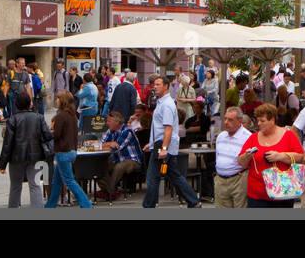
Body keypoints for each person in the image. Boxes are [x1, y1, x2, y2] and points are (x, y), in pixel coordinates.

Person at [143, 74, 201, 208]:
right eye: (154, 84)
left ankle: (149, 206)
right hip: (162, 143)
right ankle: (193, 201)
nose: (155, 87)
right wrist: (151, 143)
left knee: (152, 177)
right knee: (174, 175)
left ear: (166, 86)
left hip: (163, 144)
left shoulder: (167, 105)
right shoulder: (163, 103)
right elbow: (160, 128)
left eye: (158, 84)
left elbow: (168, 128)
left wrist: (163, 148)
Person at [236, 102, 305, 208]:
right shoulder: (253, 137)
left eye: (262, 121)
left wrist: (281, 156)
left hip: (283, 194)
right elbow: (241, 163)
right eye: (258, 120)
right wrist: (246, 157)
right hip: (257, 195)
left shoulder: (288, 135)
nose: (259, 123)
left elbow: (301, 157)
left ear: (272, 120)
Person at [0, 91, 52, 208]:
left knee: (15, 186)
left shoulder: (13, 120)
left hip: (16, 157)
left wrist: (2, 164)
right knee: (35, 185)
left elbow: (7, 144)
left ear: (16, 105)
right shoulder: (39, 118)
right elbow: (47, 136)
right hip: (35, 156)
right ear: (30, 104)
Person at [44, 90, 92, 208]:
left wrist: (47, 133)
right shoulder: (72, 115)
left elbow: (56, 135)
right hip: (72, 151)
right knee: (57, 181)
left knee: (69, 181)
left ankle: (86, 204)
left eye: (58, 98)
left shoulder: (61, 116)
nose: (56, 100)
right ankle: (50, 205)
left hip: (62, 152)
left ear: (63, 101)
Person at [97, 111, 144, 203]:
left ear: (117, 122)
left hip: (132, 160)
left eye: (109, 121)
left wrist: (107, 145)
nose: (107, 123)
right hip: (117, 159)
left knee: (119, 167)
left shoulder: (127, 131)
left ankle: (109, 191)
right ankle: (110, 191)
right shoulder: (110, 131)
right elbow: (100, 144)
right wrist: (109, 143)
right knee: (99, 165)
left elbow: (117, 147)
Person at [210, 106, 252, 209]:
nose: (226, 122)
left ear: (240, 121)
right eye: (225, 118)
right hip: (221, 180)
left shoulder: (248, 137)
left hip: (238, 179)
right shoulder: (221, 136)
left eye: (230, 120)